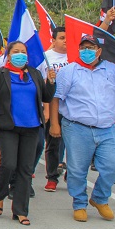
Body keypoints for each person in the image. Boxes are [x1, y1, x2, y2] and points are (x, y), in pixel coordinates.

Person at [49, 34, 115, 222]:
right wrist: (54, 124)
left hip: (106, 128)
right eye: (83, 48)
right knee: (77, 169)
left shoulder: (113, 70)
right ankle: (79, 203)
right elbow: (56, 97)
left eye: (90, 48)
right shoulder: (69, 71)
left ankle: (99, 198)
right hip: (76, 127)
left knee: (113, 164)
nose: (86, 51)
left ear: (99, 51)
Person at [0, 41, 56, 225]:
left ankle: (20, 210)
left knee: (25, 169)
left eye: (23, 52)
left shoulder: (35, 74)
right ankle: (0, 193)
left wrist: (51, 82)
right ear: (9, 54)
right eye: (16, 51)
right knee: (9, 164)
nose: (20, 54)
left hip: (31, 127)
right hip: (8, 127)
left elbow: (46, 96)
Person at [40, 26, 70, 191]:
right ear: (53, 40)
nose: (65, 41)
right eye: (61, 38)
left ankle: (72, 174)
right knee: (53, 143)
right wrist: (45, 109)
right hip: (52, 106)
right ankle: (52, 177)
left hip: (73, 108)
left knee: (76, 144)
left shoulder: (76, 56)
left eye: (67, 38)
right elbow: (40, 83)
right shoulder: (45, 57)